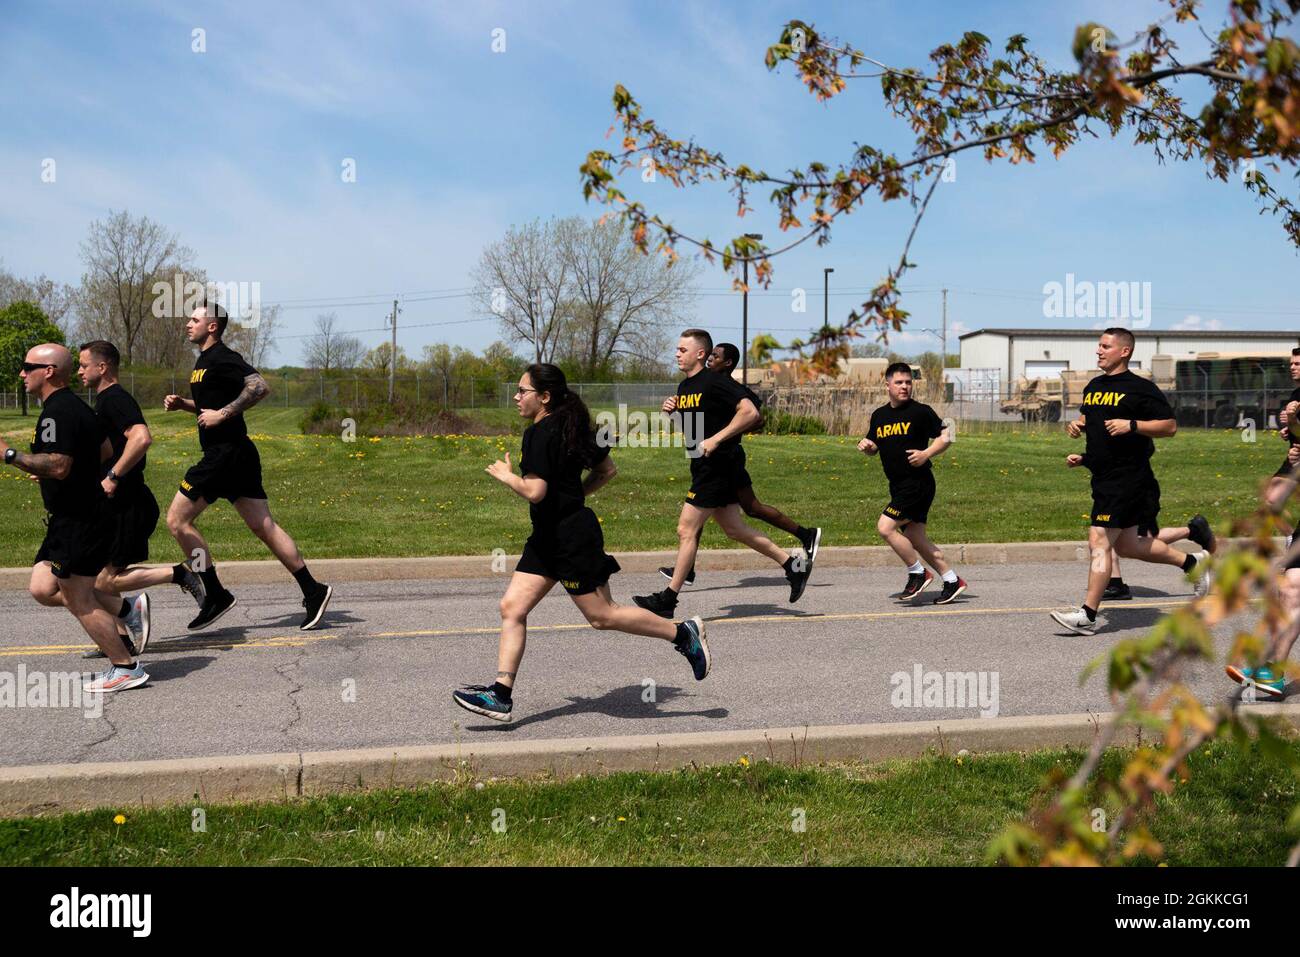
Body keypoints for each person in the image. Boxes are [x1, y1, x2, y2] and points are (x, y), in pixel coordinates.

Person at [453, 364, 710, 722]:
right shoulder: (574, 426)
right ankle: (500, 694)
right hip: (548, 537)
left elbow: (536, 492)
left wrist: (507, 477)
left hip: (570, 540)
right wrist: (573, 497)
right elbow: (607, 470)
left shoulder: (540, 434)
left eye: (521, 391)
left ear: (543, 397)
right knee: (512, 607)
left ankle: (682, 633)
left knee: (603, 616)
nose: (516, 397)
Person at [163, 301, 331, 631]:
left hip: (223, 456)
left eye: (194, 319)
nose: (188, 323)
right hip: (237, 454)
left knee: (177, 520)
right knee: (263, 526)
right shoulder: (204, 361)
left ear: (212, 326)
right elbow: (212, 404)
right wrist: (186, 405)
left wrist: (223, 414)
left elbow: (259, 386)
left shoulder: (223, 356)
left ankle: (214, 594)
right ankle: (314, 591)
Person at [634, 329, 812, 619]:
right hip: (704, 465)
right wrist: (674, 412)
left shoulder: (714, 382)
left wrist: (717, 439)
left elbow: (750, 413)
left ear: (700, 354)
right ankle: (792, 566)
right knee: (734, 529)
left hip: (717, 466)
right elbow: (695, 431)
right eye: (677, 350)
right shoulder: (685, 387)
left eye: (682, 350)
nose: (677, 354)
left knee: (686, 529)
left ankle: (669, 599)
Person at [0, 343, 147, 692]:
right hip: (72, 517)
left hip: (79, 519)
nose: (22, 373)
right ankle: (126, 611)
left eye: (27, 367)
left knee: (77, 596)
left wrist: (8, 454)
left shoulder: (57, 412)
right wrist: (61, 471)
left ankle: (125, 667)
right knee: (41, 586)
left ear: (48, 371)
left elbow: (59, 464)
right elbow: (104, 451)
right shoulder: (73, 407)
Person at [1051, 328, 1209, 636]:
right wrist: (1078, 429)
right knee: (1128, 545)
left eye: (1105, 346)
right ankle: (1192, 563)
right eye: (1098, 345)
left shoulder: (1141, 389)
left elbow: (1170, 427)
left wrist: (1132, 425)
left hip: (1128, 478)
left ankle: (1087, 615)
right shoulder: (1094, 386)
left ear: (1124, 351)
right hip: (1104, 476)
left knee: (1099, 540)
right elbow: (1093, 421)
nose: (1099, 350)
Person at [68, 341, 207, 659]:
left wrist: (113, 476)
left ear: (102, 367)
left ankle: (181, 573)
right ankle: (121, 643)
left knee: (105, 579)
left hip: (128, 503)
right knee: (98, 578)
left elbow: (142, 438)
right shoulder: (104, 401)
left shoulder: (115, 398)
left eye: (83, 364)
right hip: (114, 503)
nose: (79, 370)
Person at [858, 362, 967, 604]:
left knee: (885, 527)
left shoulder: (920, 411)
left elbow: (947, 435)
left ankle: (917, 573)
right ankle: (952, 580)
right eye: (899, 382)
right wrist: (867, 447)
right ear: (887, 385)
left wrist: (926, 454)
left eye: (908, 382)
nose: (905, 387)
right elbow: (874, 445)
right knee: (917, 538)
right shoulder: (879, 415)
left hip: (918, 483)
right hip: (898, 485)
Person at [1101, 515, 1216, 600]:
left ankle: (1192, 551)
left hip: (1129, 489)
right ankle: (1115, 583)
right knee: (1113, 535)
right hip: (1115, 488)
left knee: (1133, 540)